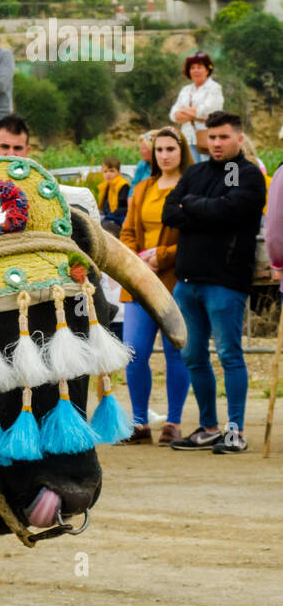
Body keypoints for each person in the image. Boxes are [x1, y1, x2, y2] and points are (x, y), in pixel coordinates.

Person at [162, 111, 267, 453]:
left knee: (229, 354)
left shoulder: (243, 174)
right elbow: (169, 213)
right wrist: (205, 209)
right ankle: (208, 427)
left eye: (224, 137)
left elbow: (230, 210)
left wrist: (191, 205)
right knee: (193, 355)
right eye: (212, 137)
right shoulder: (194, 172)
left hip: (225, 280)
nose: (217, 143)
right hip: (187, 280)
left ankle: (234, 430)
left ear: (238, 138)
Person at [118, 127, 193, 446]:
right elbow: (127, 232)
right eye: (159, 149)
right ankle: (139, 423)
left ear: (182, 151)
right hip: (139, 279)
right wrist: (135, 260)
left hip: (175, 278)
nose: (164, 155)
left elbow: (195, 237)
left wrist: (163, 256)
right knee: (134, 353)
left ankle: (174, 421)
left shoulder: (191, 188)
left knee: (178, 352)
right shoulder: (143, 188)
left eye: (170, 149)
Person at [169, 51, 223, 164]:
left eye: (199, 67)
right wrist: (195, 113)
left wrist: (184, 111)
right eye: (192, 68)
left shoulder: (214, 88)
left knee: (208, 170)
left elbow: (208, 111)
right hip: (187, 138)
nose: (196, 70)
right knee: (192, 170)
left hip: (207, 137)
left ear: (207, 70)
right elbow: (173, 114)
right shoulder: (185, 90)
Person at [97, 156, 130, 229]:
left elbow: (125, 208)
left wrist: (110, 216)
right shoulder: (105, 186)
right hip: (108, 216)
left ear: (119, 172)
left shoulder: (123, 185)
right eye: (105, 171)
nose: (108, 174)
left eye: (112, 171)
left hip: (119, 219)